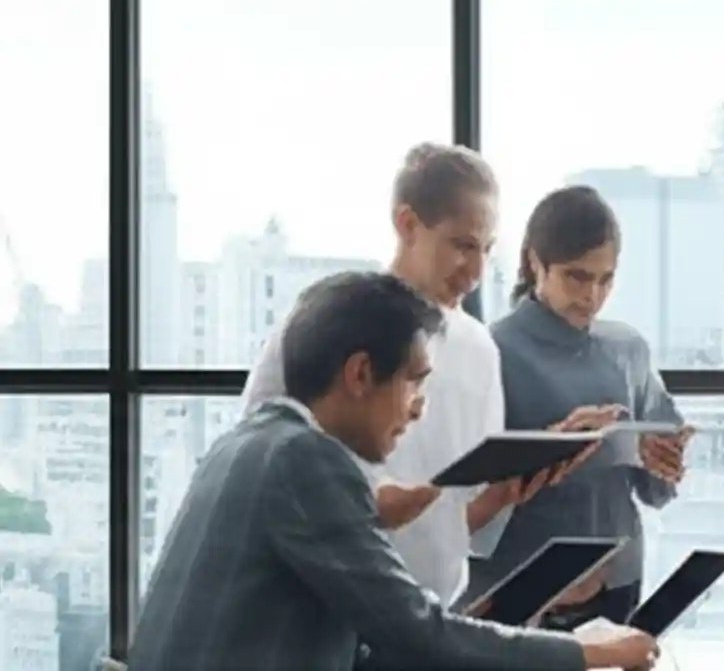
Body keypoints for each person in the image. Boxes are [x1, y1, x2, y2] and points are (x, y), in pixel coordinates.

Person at [129, 271, 658, 671]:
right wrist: (585, 651)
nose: (418, 407)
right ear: (360, 373)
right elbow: (413, 635)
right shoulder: (306, 461)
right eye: (414, 382)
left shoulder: (246, 443)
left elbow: (374, 635)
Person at [241, 143, 552, 607]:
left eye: (487, 249)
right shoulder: (328, 322)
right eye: (463, 245)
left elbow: (459, 518)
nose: (477, 271)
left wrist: (511, 489)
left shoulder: (478, 350)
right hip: (326, 616)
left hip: (429, 621)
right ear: (407, 224)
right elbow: (255, 456)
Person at [463, 185, 694, 626]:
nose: (592, 295)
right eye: (577, 276)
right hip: (520, 592)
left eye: (605, 278)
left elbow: (658, 492)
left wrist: (663, 459)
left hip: (617, 585)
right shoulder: (491, 353)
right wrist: (550, 448)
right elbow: (465, 503)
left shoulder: (628, 350)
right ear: (535, 263)